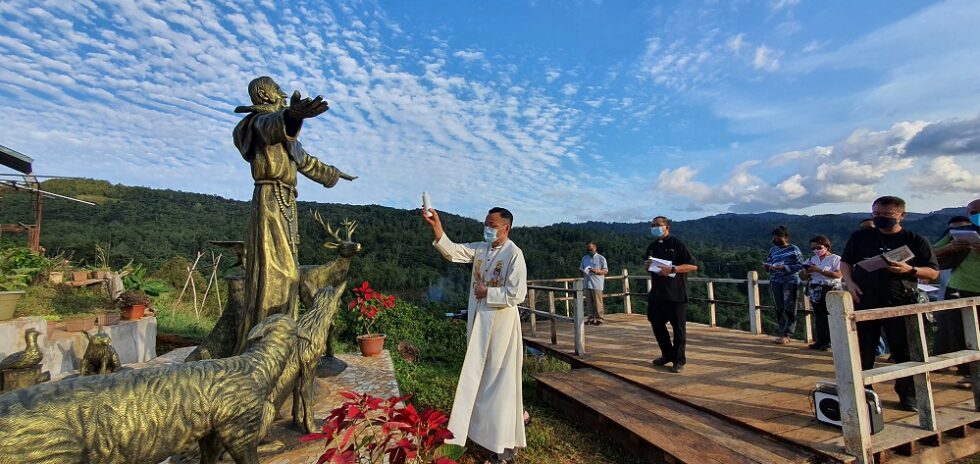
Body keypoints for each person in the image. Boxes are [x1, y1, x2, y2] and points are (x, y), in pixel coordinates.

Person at [232, 76, 356, 353]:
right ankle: (268, 341)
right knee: (282, 274)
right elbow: (271, 126)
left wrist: (334, 173)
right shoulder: (255, 125)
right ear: (265, 94)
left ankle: (283, 337)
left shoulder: (281, 135)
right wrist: (290, 116)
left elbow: (305, 160)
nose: (284, 94)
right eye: (278, 90)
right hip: (269, 201)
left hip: (286, 201)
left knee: (288, 274)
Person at [423, 206, 527, 464]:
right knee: (481, 380)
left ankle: (505, 448)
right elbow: (454, 252)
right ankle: (489, 430)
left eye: (492, 225)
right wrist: (437, 227)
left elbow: (517, 294)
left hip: (502, 330)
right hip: (480, 326)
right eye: (486, 223)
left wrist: (487, 293)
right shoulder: (481, 249)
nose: (487, 228)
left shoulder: (514, 254)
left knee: (500, 383)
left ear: (506, 228)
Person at [841, 196, 940, 411]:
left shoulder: (915, 240)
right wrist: (849, 282)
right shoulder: (860, 237)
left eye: (886, 215)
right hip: (864, 300)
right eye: (876, 214)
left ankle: (908, 395)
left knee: (903, 350)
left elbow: (933, 272)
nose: (880, 218)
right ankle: (864, 392)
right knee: (863, 350)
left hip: (900, 301)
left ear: (902, 215)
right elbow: (846, 261)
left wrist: (910, 270)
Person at [932, 200, 980, 389]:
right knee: (957, 332)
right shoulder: (958, 232)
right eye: (972, 211)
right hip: (959, 287)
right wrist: (950, 248)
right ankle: (968, 372)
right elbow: (930, 254)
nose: (975, 215)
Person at [644, 216, 698, 373]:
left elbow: (693, 266)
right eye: (653, 225)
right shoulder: (652, 247)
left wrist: (673, 269)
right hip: (657, 295)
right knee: (656, 324)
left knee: (678, 329)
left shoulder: (676, 244)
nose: (655, 227)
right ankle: (667, 354)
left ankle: (679, 360)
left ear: (667, 226)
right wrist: (646, 266)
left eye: (658, 225)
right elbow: (648, 266)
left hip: (676, 295)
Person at [764, 225, 806, 345]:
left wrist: (785, 268)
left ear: (786, 237)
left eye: (778, 237)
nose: (775, 239)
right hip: (776, 281)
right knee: (779, 308)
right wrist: (767, 266)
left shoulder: (794, 249)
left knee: (789, 308)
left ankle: (787, 334)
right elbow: (769, 261)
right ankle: (782, 332)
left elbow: (800, 265)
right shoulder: (773, 250)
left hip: (790, 281)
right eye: (774, 237)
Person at [802, 236, 842, 351]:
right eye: (813, 248)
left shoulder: (836, 259)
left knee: (830, 316)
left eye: (818, 247)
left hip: (830, 289)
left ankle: (829, 341)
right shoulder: (811, 259)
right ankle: (820, 340)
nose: (816, 250)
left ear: (826, 246)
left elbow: (838, 275)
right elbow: (803, 276)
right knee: (819, 316)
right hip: (815, 289)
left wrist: (819, 270)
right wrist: (806, 272)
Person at [580, 241, 609, 325]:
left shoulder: (601, 258)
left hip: (597, 284)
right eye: (588, 250)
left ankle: (600, 318)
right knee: (589, 303)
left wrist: (596, 271)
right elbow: (581, 268)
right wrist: (582, 271)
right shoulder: (584, 258)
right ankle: (591, 318)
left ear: (595, 248)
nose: (590, 251)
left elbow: (605, 271)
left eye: (591, 249)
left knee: (598, 302)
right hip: (587, 283)